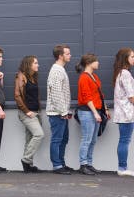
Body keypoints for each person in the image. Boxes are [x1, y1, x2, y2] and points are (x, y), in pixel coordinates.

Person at [76, 53, 106, 176]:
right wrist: (95, 112)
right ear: (89, 63)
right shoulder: (84, 77)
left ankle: (89, 163)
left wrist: (104, 109)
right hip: (87, 112)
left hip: (95, 111)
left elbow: (99, 94)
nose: (98, 63)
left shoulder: (94, 76)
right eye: (96, 61)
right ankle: (83, 165)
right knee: (87, 139)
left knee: (92, 140)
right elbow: (87, 97)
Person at [14, 56, 44, 173]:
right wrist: (27, 111)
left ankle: (28, 166)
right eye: (36, 63)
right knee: (39, 134)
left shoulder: (32, 77)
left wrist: (37, 111)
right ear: (29, 64)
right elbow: (17, 96)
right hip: (26, 113)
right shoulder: (21, 77)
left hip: (36, 112)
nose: (38, 65)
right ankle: (26, 160)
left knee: (30, 138)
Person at [46, 45, 73, 174]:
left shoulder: (60, 69)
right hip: (57, 113)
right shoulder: (56, 71)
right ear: (60, 56)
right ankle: (57, 165)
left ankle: (61, 163)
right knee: (57, 139)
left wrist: (66, 111)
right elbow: (56, 93)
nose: (70, 56)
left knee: (64, 139)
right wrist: (63, 112)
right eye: (67, 54)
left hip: (62, 112)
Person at [112, 47, 134, 176]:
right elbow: (131, 96)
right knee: (125, 140)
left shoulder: (120, 73)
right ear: (125, 58)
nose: (133, 59)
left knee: (123, 140)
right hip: (126, 114)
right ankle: (122, 168)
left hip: (123, 113)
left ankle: (122, 167)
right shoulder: (125, 73)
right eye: (132, 56)